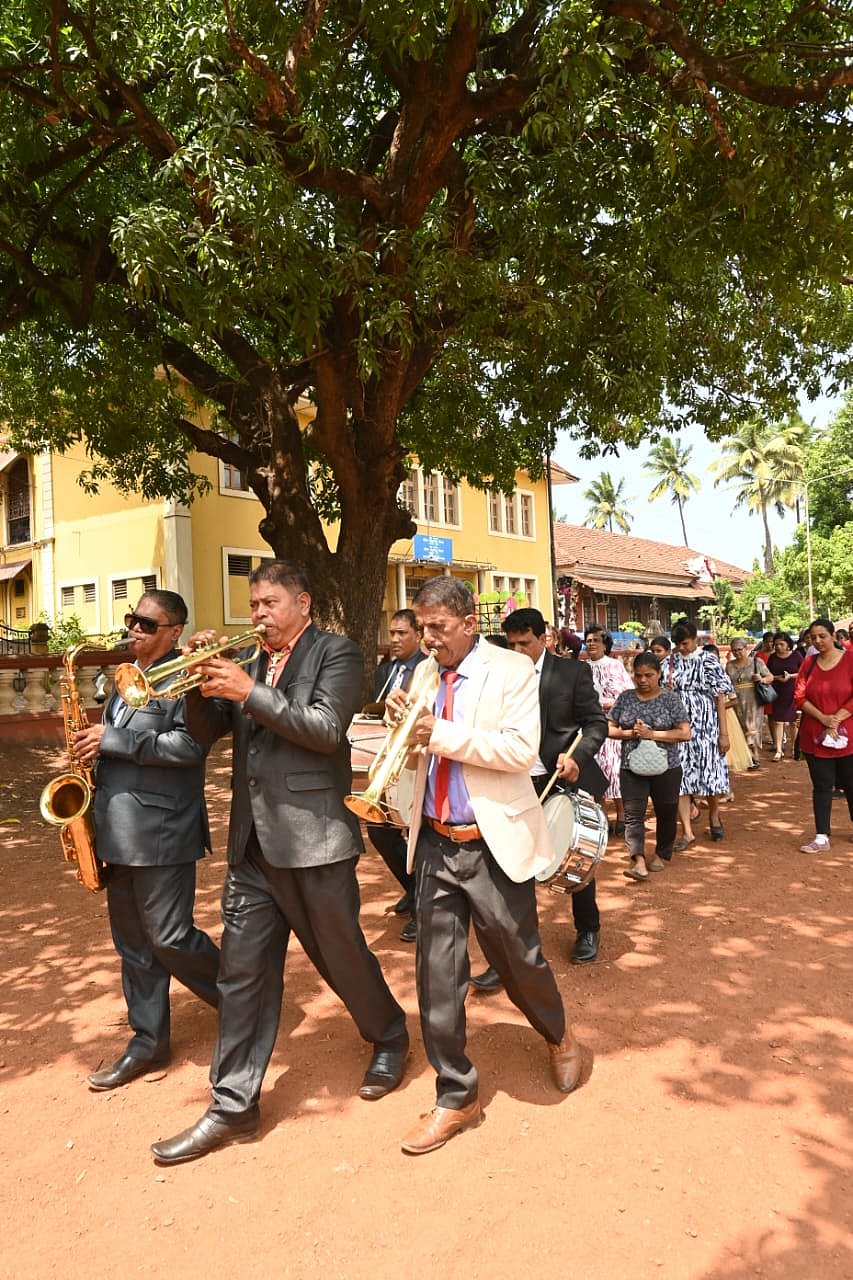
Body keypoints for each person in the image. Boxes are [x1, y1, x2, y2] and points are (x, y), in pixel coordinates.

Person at [150, 561, 408, 1166]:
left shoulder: (336, 652)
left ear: (303, 601)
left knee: (340, 955)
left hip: (315, 840)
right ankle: (232, 1105)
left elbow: (323, 728)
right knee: (242, 975)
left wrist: (248, 690)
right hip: (253, 848)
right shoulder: (253, 663)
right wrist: (195, 682)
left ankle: (389, 1034)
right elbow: (209, 730)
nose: (258, 613)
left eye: (269, 603)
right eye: (253, 604)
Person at [391, 577, 584, 1155]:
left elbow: (522, 752)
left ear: (469, 622)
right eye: (421, 629)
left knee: (518, 956)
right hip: (434, 842)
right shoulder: (425, 670)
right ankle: (456, 1095)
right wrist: (404, 721)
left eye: (438, 629)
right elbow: (417, 745)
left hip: (490, 843)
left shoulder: (511, 669)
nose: (428, 641)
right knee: (436, 972)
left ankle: (557, 1032)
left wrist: (439, 733)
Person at [72, 591, 220, 1091]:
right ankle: (148, 1042)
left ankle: (242, 998)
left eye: (146, 623)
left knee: (170, 936)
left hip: (162, 828)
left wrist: (113, 741)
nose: (134, 628)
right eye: (132, 619)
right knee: (133, 943)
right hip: (117, 826)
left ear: (174, 631)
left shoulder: (187, 677)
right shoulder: (124, 675)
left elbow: (191, 746)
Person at [470, 607, 608, 992]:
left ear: (544, 638)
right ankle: (511, 956)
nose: (517, 651)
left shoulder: (572, 672)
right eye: (511, 644)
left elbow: (596, 723)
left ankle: (587, 929)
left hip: (561, 776)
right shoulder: (494, 678)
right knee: (511, 868)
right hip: (512, 782)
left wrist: (577, 757)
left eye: (525, 643)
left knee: (573, 858)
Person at [366, 608, 426, 941]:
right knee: (379, 831)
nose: (395, 639)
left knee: (415, 835)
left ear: (418, 634)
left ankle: (423, 905)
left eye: (402, 633)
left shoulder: (427, 670)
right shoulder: (382, 673)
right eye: (392, 633)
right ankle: (413, 886)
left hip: (414, 762)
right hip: (384, 758)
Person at [608, 651, 691, 880]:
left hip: (667, 767)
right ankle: (639, 861)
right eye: (638, 675)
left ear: (659, 674)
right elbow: (608, 728)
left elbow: (685, 733)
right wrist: (628, 733)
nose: (643, 680)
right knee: (633, 815)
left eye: (649, 675)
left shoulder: (670, 699)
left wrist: (651, 734)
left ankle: (661, 854)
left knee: (666, 811)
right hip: (630, 766)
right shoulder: (625, 698)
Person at [662, 620, 733, 847]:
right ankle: (687, 831)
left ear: (695, 639)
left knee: (709, 774)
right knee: (680, 778)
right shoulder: (668, 662)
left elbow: (720, 697)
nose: (681, 648)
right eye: (677, 643)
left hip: (706, 726)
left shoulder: (708, 660)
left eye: (685, 643)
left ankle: (714, 813)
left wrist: (724, 733)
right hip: (678, 727)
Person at [793, 617, 853, 853]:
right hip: (815, 733)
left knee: (851, 783)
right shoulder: (808, 664)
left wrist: (836, 719)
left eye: (822, 636)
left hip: (847, 732)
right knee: (822, 785)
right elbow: (799, 697)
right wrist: (824, 718)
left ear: (833, 637)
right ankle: (821, 835)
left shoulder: (850, 660)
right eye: (813, 638)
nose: (818, 641)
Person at [582, 625, 634, 836]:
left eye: (596, 640)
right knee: (596, 771)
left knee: (614, 770)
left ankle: (622, 816)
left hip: (613, 724)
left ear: (605, 644)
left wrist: (608, 704)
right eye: (589, 640)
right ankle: (600, 818)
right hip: (588, 726)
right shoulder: (582, 667)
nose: (591, 644)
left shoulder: (615, 666)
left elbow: (627, 693)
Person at [726, 637, 773, 768]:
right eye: (734, 650)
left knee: (752, 727)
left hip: (753, 699)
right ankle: (745, 755)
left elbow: (770, 677)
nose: (737, 653)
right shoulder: (729, 665)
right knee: (741, 727)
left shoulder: (757, 662)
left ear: (746, 649)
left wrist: (761, 679)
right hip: (736, 700)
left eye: (739, 650)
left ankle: (755, 755)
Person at [767, 632, 803, 761]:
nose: (778, 647)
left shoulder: (796, 656)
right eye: (776, 644)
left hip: (793, 691)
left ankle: (794, 748)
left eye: (781, 644)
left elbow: (804, 672)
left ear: (788, 645)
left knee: (793, 722)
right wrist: (778, 678)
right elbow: (768, 674)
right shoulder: (772, 658)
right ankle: (778, 750)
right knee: (778, 721)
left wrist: (790, 676)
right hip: (778, 692)